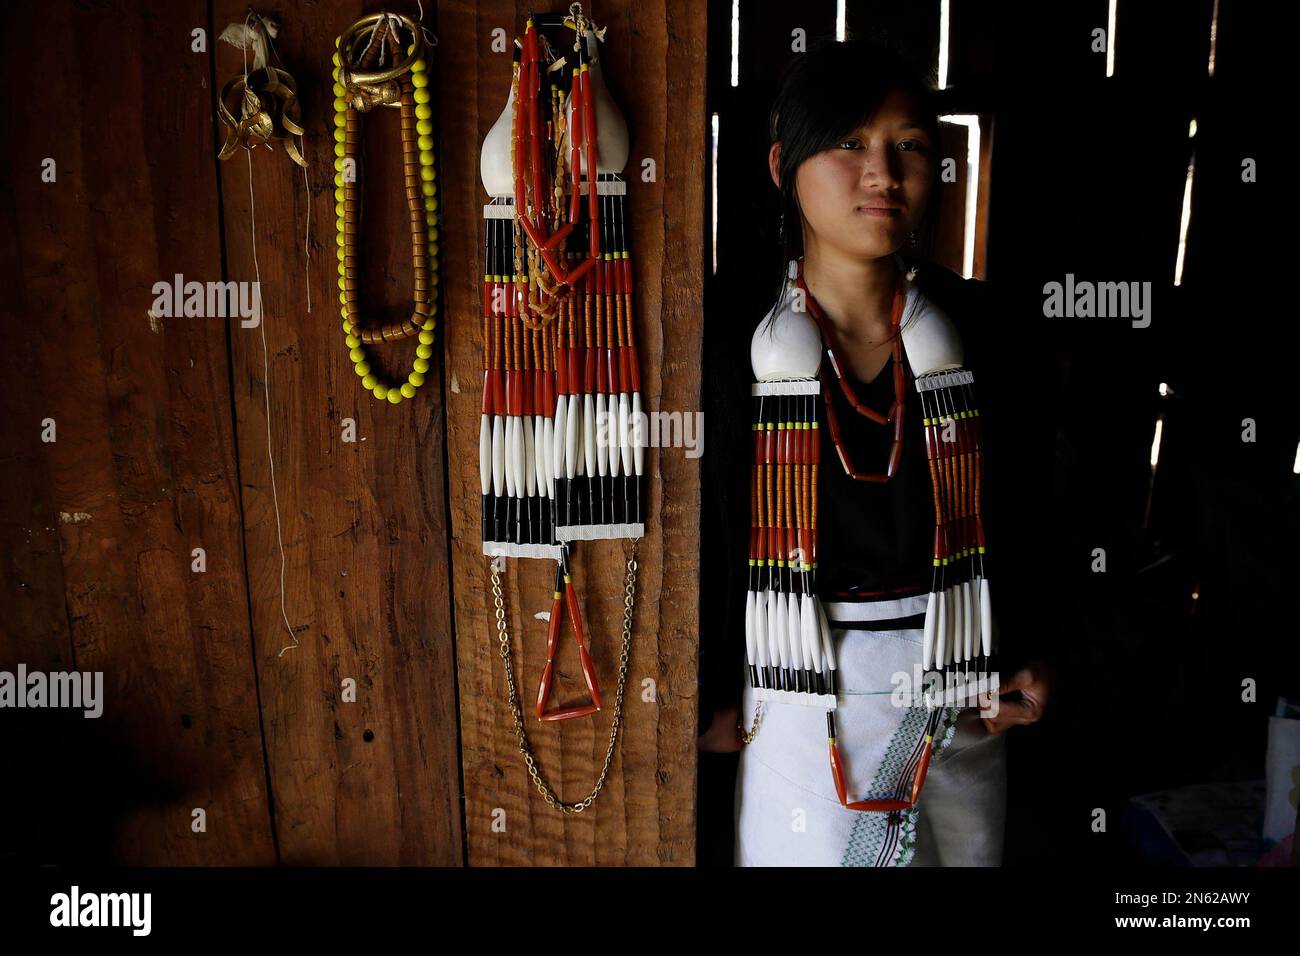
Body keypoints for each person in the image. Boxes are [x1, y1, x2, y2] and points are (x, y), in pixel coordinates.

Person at [698, 37, 1053, 867]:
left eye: (910, 147)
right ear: (786, 162)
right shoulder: (726, 343)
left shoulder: (986, 333)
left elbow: (1030, 506)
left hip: (961, 680)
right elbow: (704, 525)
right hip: (798, 690)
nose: (882, 174)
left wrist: (1029, 653)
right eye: (850, 144)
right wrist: (708, 688)